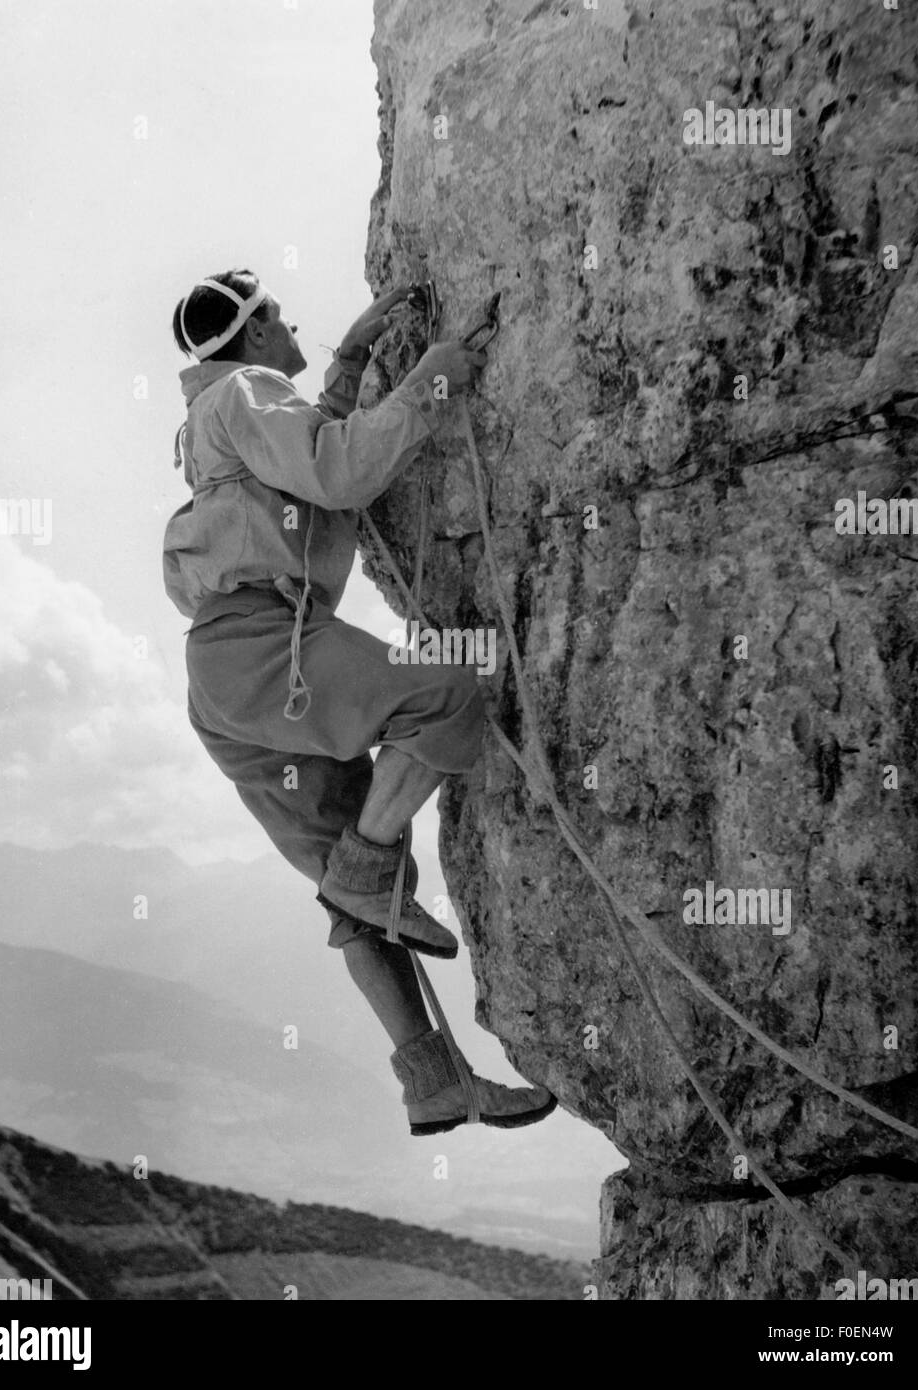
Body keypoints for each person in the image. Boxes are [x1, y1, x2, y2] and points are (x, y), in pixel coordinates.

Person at [163, 267, 555, 1135]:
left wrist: (349, 353)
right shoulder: (248, 388)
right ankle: (370, 870)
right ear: (254, 332)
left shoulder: (214, 412)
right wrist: (436, 377)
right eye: (275, 314)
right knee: (446, 701)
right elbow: (336, 472)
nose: (286, 321)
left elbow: (304, 456)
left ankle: (433, 1081)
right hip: (272, 648)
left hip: (224, 676)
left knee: (351, 894)